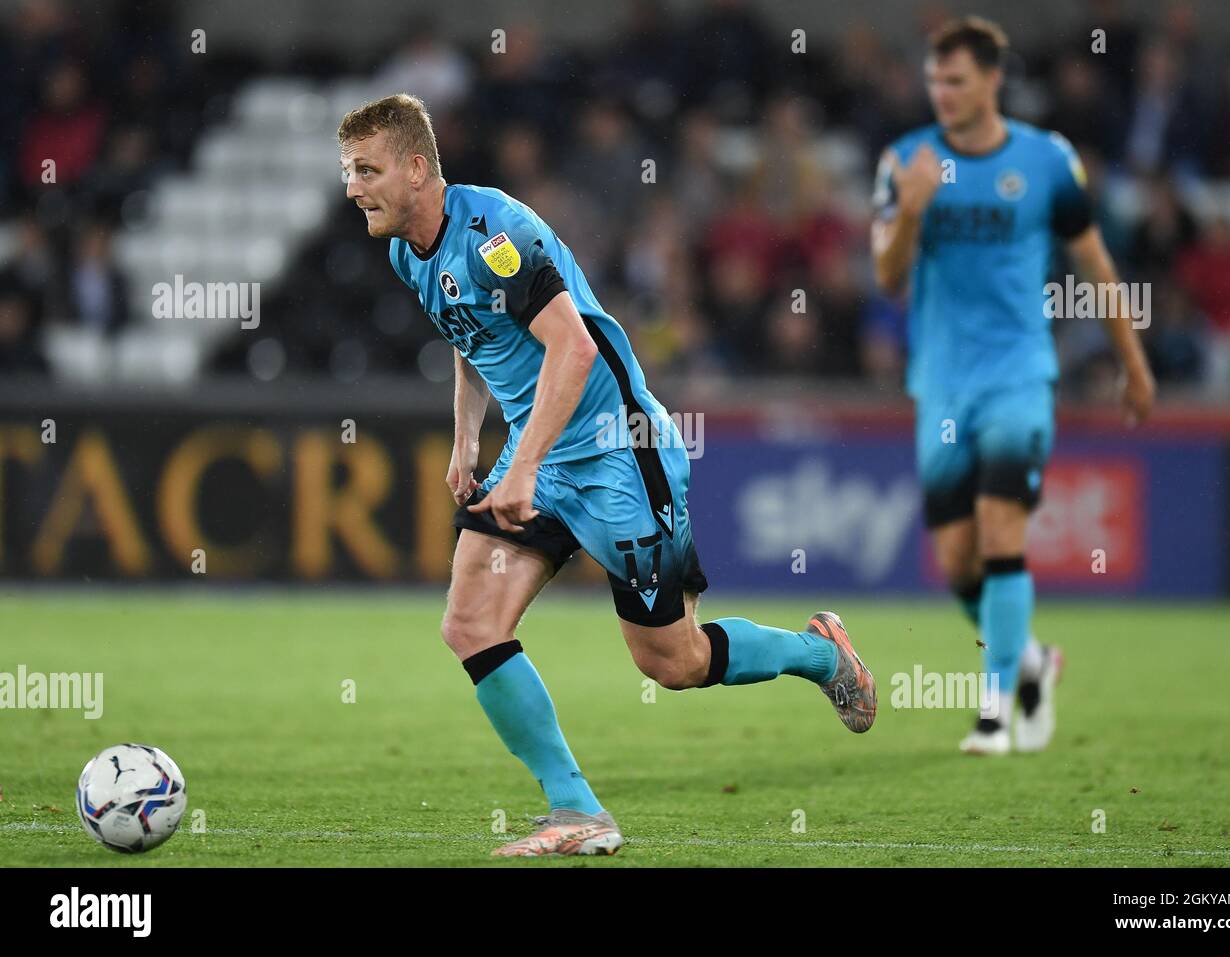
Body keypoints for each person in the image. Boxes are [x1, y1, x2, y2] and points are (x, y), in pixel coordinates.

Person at [337, 93, 877, 857]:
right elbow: (472, 332)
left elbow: (576, 349)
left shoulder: (498, 235)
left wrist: (519, 468)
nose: (353, 187)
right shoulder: (404, 249)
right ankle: (577, 809)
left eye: (367, 169)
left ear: (417, 169)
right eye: (348, 171)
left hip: (620, 451)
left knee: (673, 662)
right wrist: (466, 437)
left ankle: (820, 653)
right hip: (538, 452)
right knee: (469, 623)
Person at [871, 18, 1155, 755]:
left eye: (957, 80)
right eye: (935, 80)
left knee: (1003, 532)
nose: (944, 93)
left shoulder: (1046, 160)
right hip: (940, 384)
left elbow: (1095, 265)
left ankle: (995, 709)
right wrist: (911, 210)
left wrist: (1134, 361)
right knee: (959, 561)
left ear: (994, 80)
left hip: (1019, 375)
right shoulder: (905, 161)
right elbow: (887, 277)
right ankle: (1031, 657)